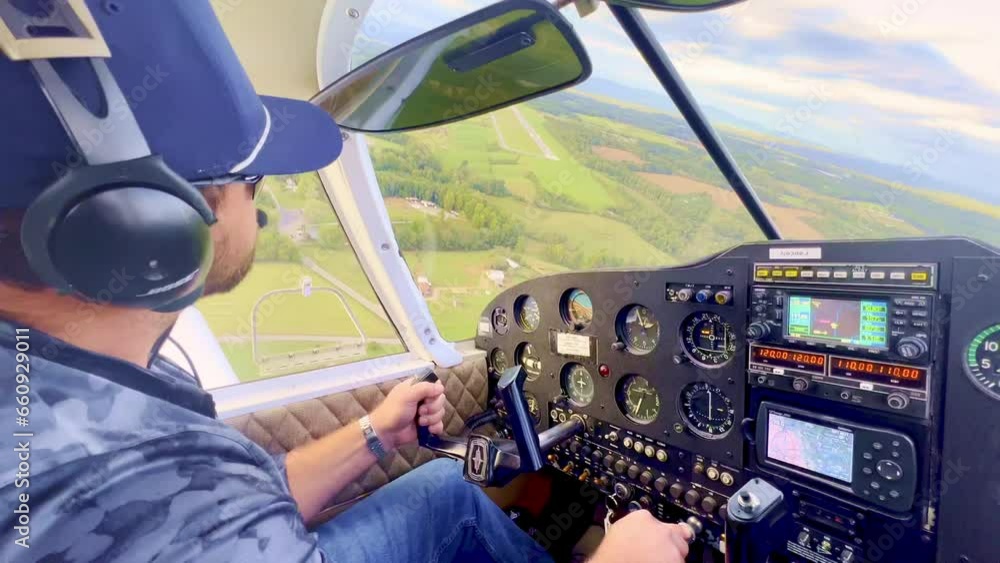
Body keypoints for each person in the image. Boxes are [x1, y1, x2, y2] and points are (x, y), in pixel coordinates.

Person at [0, 1, 690, 562]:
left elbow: (221, 506)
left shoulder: (75, 394)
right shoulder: (97, 469)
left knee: (449, 489)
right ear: (146, 226)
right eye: (249, 173)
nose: (262, 197)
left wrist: (373, 431)